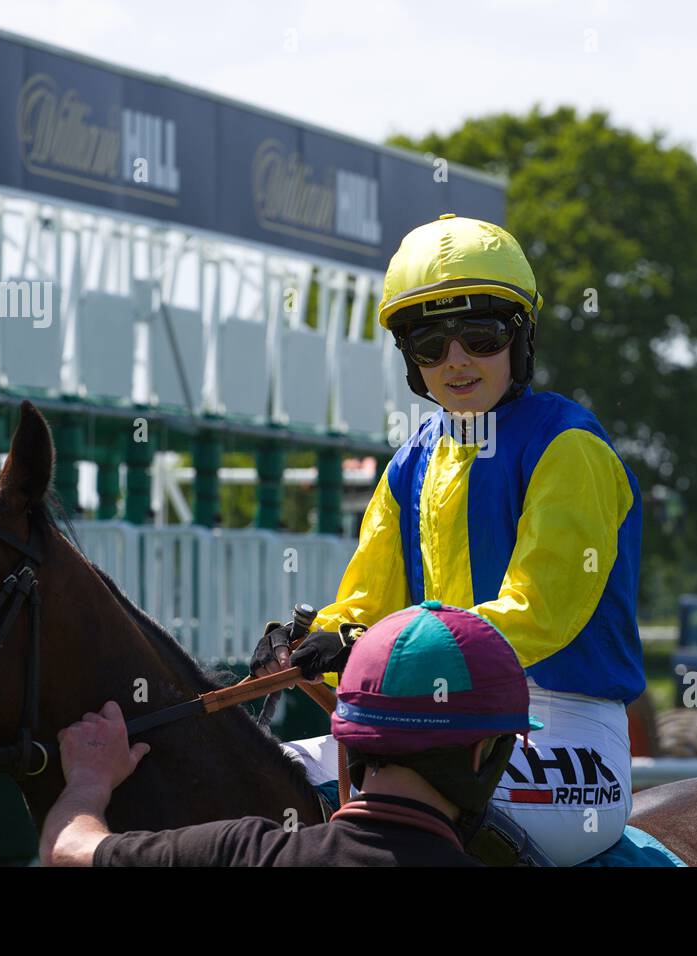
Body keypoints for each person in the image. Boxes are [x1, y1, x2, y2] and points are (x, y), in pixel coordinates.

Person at [252, 214, 645, 867]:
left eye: (481, 336)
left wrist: (363, 648)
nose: (456, 360)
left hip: (568, 740)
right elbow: (364, 603)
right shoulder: (411, 461)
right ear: (412, 363)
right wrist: (311, 639)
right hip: (425, 729)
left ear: (521, 339)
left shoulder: (569, 447)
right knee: (244, 779)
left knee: (390, 819)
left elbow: (537, 615)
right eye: (431, 345)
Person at [39, 602, 539, 866]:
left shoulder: (238, 850)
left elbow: (68, 853)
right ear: (483, 756)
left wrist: (87, 781)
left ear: (352, 737)